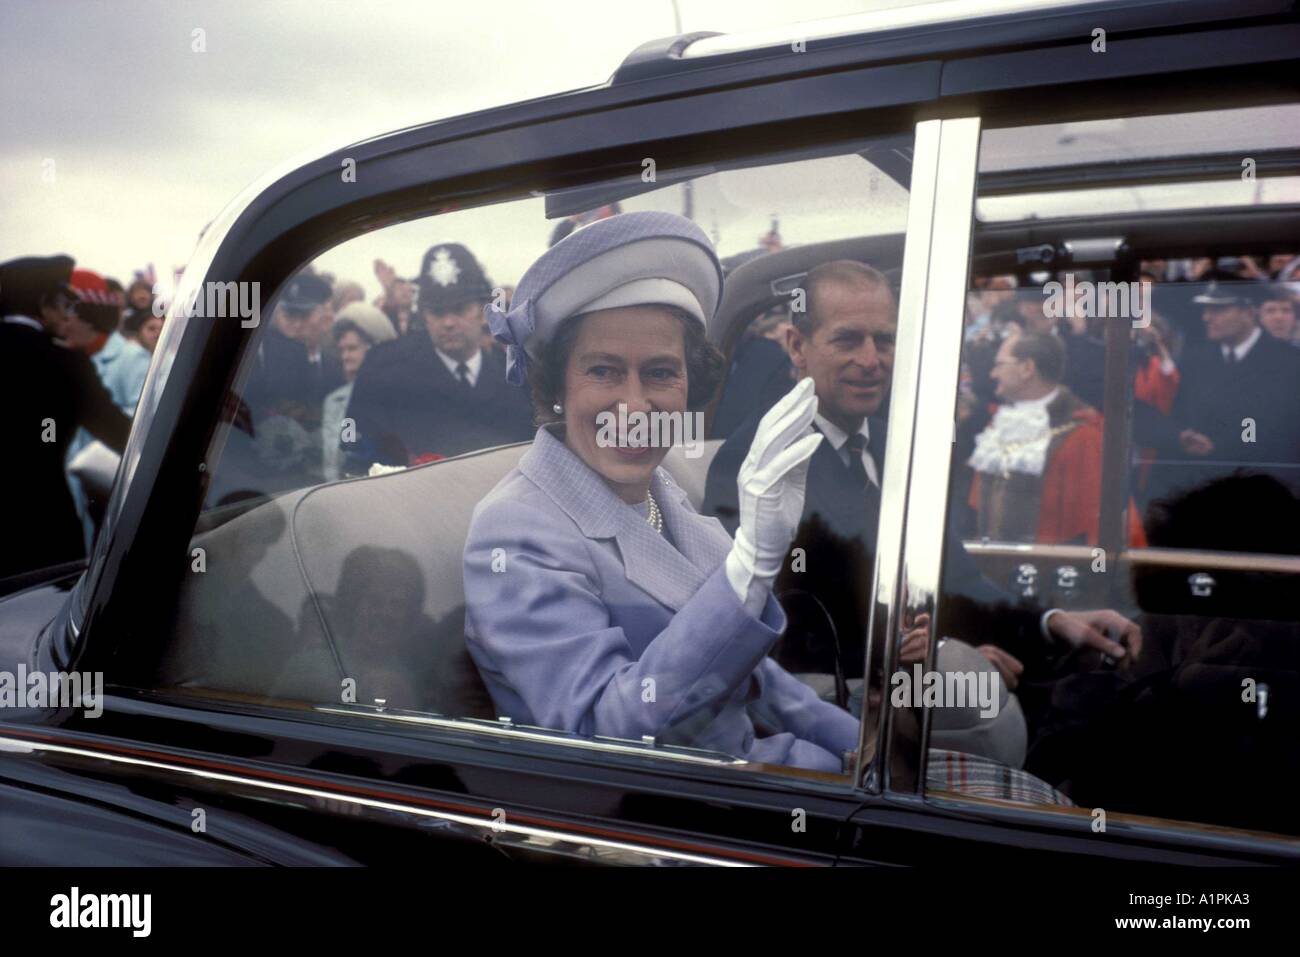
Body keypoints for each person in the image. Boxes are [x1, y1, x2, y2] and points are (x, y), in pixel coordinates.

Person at [464, 211, 860, 773]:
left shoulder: (664, 496)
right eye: (603, 371)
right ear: (556, 386)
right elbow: (606, 733)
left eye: (659, 373)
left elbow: (757, 678)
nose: (634, 406)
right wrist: (749, 565)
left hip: (770, 779)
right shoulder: (515, 531)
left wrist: (867, 750)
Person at [703, 263, 1140, 710]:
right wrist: (938, 659)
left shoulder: (896, 443)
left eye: (885, 340)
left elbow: (953, 577)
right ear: (797, 346)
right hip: (841, 719)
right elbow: (759, 629)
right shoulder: (755, 462)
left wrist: (1052, 620)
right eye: (848, 339)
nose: (871, 360)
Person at [344, 242, 533, 470]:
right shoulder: (384, 369)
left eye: (459, 309)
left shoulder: (516, 376)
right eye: (438, 311)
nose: (449, 323)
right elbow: (353, 448)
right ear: (424, 314)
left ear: (484, 312)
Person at [0, 255, 131, 578]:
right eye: (62, 302)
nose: (67, 313)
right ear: (44, 304)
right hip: (41, 526)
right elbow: (121, 433)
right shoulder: (64, 363)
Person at [968, 330, 1145, 546]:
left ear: (1027, 369)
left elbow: (1092, 530)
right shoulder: (1000, 425)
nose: (993, 374)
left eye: (999, 364)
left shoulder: (1083, 437)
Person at [1160, 277, 1300, 488]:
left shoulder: (1290, 362)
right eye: (1206, 309)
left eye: (1219, 309)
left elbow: (1277, 430)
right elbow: (1178, 413)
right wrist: (1181, 436)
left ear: (1249, 312)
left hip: (1267, 485)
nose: (1207, 317)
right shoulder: (1194, 360)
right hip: (1203, 484)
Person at [321, 302, 396, 480]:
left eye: (352, 348)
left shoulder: (399, 394)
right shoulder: (336, 401)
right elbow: (332, 461)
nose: (346, 356)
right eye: (342, 350)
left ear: (375, 348)